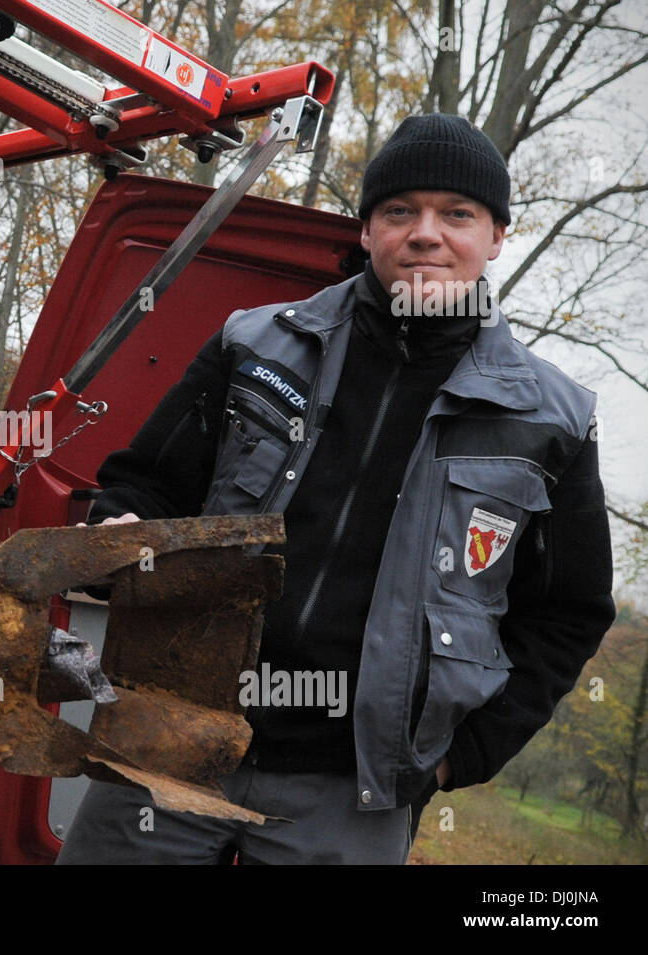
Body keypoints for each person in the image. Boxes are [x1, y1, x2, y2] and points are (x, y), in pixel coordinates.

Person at [56, 114, 615, 864]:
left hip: (353, 792)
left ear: (496, 236)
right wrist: (122, 525)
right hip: (172, 739)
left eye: (456, 213)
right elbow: (148, 482)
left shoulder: (552, 421)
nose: (425, 233)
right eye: (398, 211)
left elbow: (567, 615)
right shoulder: (252, 346)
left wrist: (460, 755)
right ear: (366, 230)